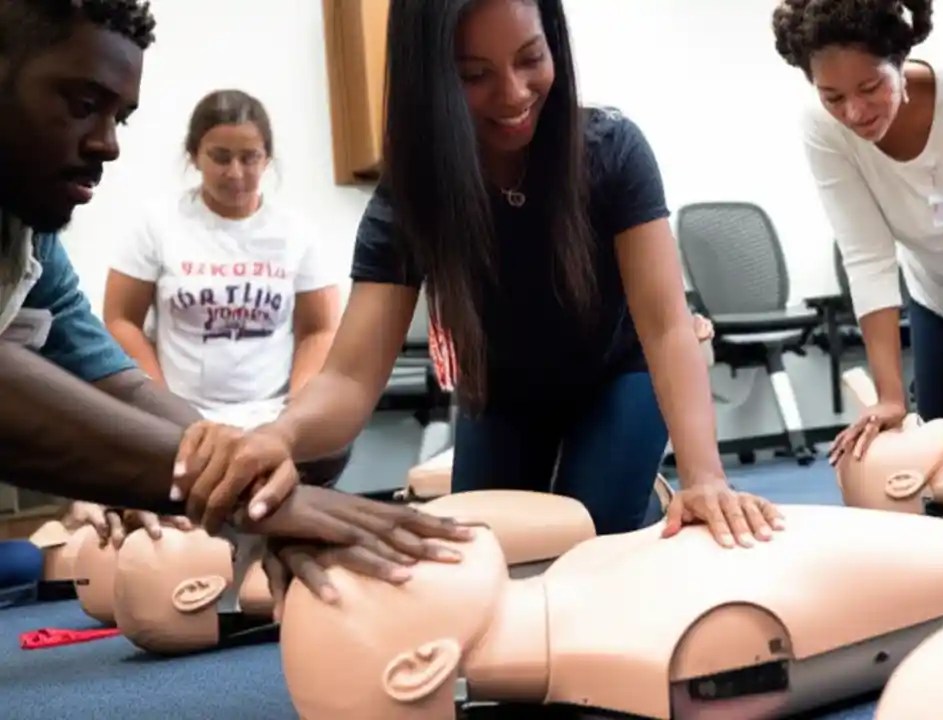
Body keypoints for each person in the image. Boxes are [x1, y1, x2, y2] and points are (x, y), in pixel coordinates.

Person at [176, 0, 784, 553]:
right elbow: (349, 377)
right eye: (474, 75)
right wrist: (278, 436)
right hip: (502, 395)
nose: (514, 93)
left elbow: (666, 327)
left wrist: (706, 478)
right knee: (488, 553)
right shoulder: (410, 197)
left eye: (530, 59)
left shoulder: (612, 152)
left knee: (590, 536)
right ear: (433, 82)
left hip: (621, 376)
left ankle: (638, 491)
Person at [0, 0, 471, 599]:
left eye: (121, 117)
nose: (108, 144)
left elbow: (109, 379)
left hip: (247, 417)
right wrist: (255, 499)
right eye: (83, 105)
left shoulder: (30, 238)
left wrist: (251, 478)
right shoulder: (156, 226)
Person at [772, 0, 943, 454]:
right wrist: (890, 397)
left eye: (869, 86)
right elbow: (867, 258)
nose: (854, 112)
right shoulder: (823, 129)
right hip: (940, 300)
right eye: (833, 96)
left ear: (899, 61)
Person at [104, 89, 341, 431]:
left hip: (271, 419)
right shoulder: (157, 225)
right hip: (182, 419)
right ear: (194, 156)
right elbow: (121, 319)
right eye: (220, 157)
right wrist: (159, 404)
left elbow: (320, 330)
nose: (235, 172)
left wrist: (295, 415)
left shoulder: (296, 233)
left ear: (267, 159)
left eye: (249, 158)